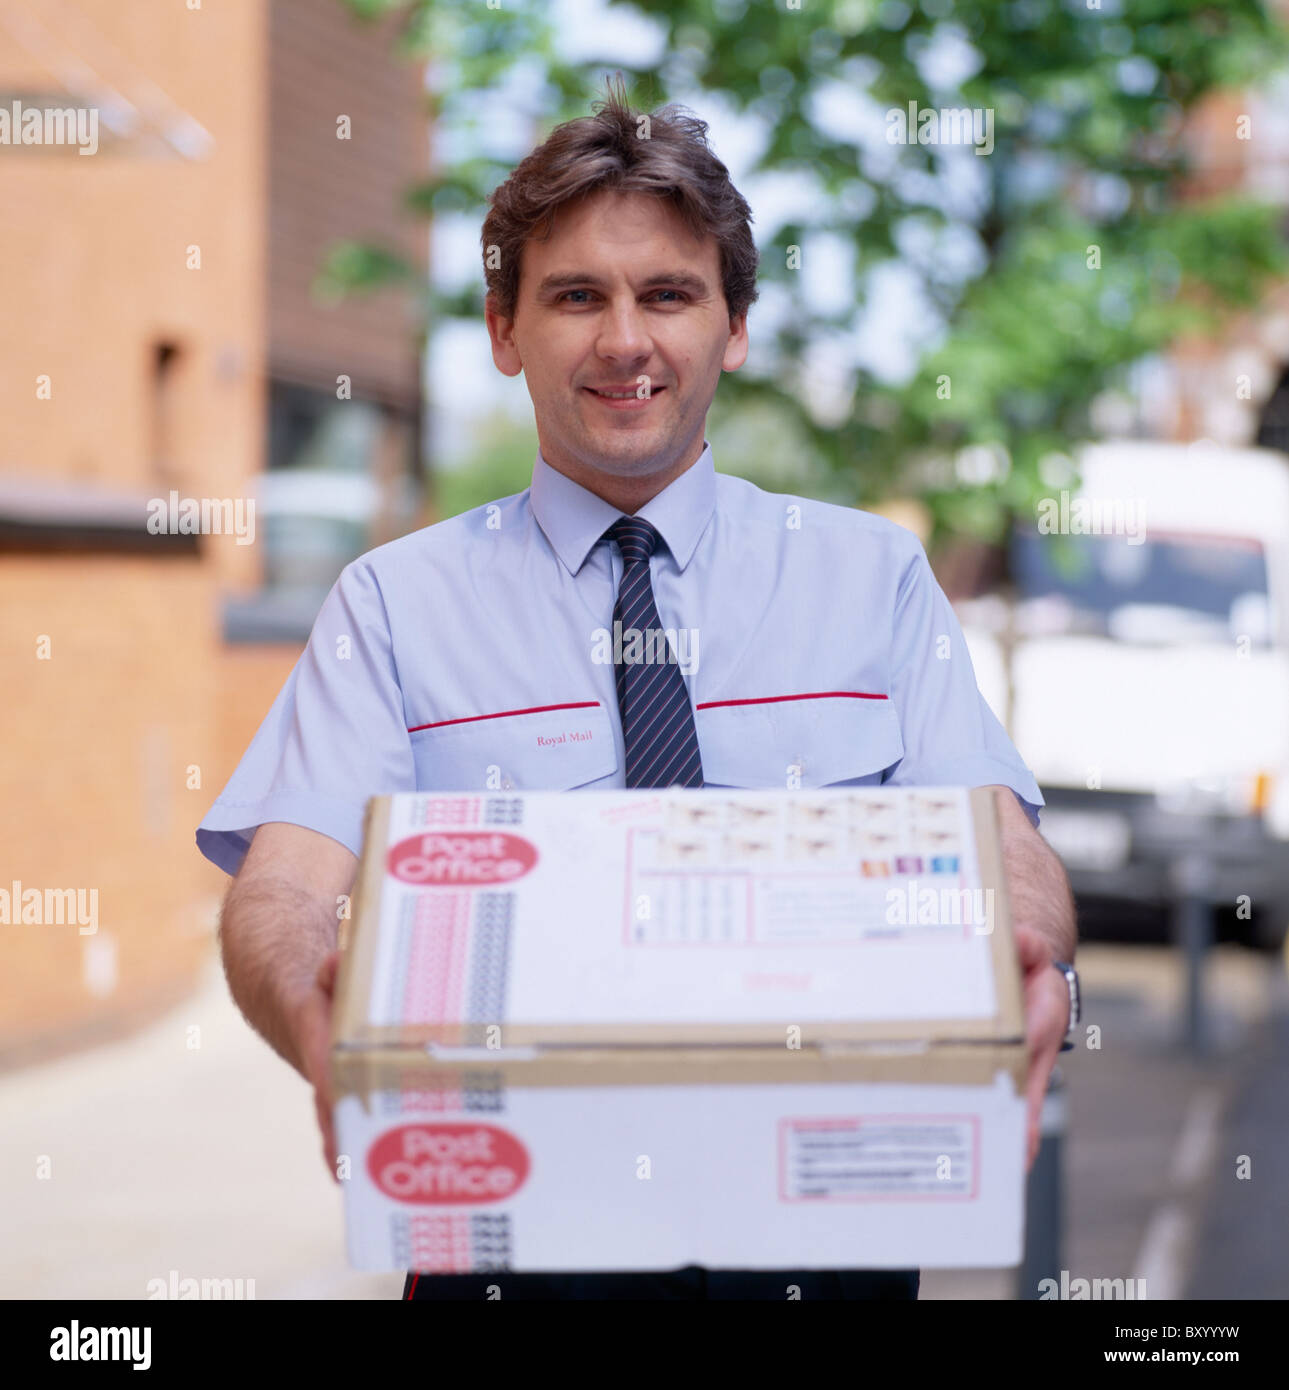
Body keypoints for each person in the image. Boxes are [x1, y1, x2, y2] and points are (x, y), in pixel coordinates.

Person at [197, 88, 1077, 1302]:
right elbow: (283, 883)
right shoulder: (392, 605)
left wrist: (1030, 955)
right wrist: (312, 1009)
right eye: (576, 297)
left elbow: (998, 832)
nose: (624, 340)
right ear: (503, 330)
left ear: (734, 327)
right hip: (508, 1248)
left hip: (824, 1243)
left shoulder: (870, 577)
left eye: (667, 294)